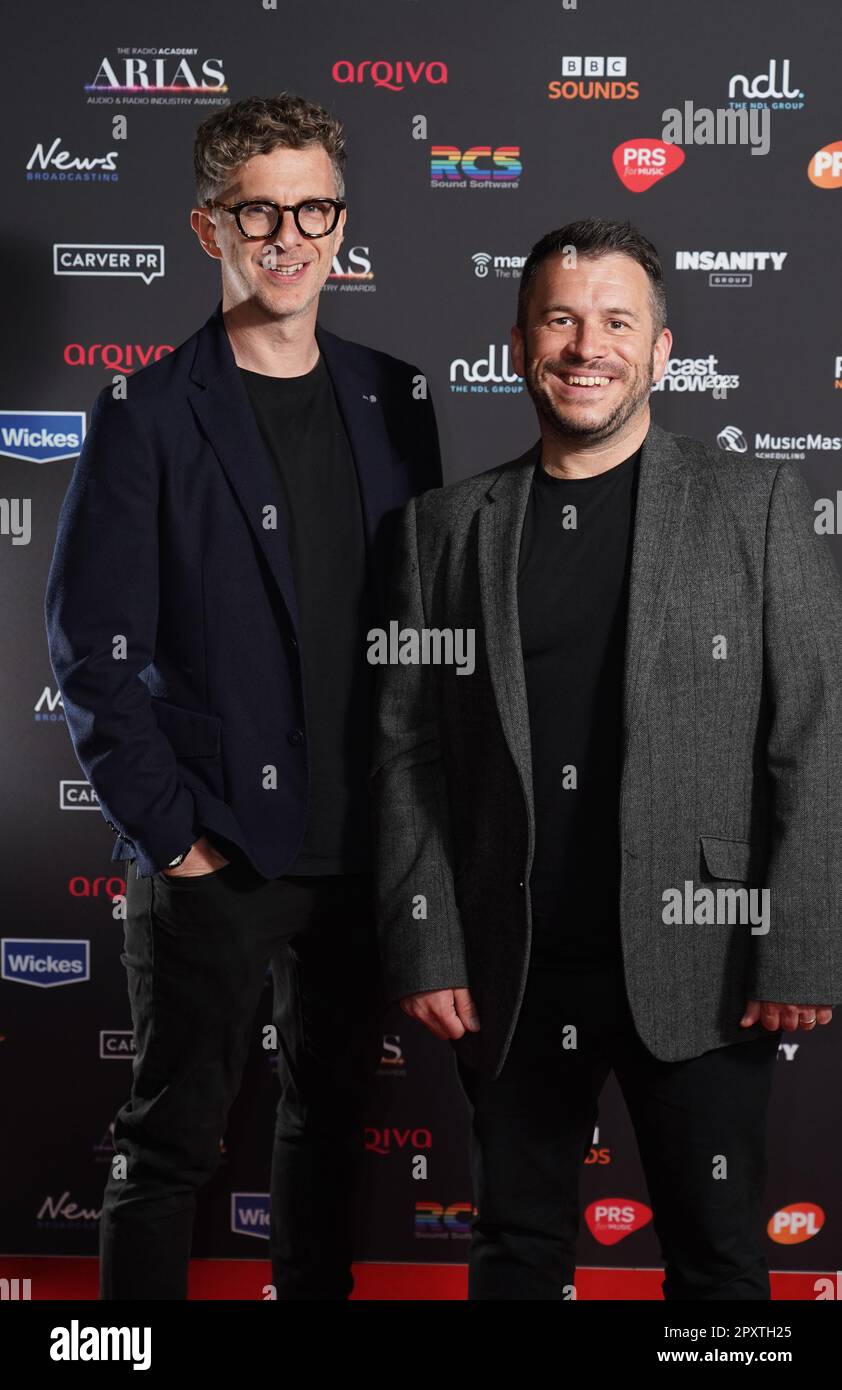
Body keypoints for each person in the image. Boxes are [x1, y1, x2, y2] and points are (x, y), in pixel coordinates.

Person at [371, 217, 841, 1300]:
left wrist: (801, 948)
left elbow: (815, 735)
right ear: (518, 343)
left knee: (718, 1260)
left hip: (706, 962)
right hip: (511, 962)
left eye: (615, 321)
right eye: (560, 319)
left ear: (660, 350)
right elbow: (405, 751)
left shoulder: (757, 506)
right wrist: (425, 939)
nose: (586, 346)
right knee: (515, 1252)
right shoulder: (442, 531)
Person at [45, 92, 441, 1301]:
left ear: (339, 220)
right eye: (256, 211)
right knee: (168, 1142)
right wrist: (179, 840)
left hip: (358, 851)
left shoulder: (398, 397)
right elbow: (91, 655)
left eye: (312, 207)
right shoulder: (145, 411)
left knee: (327, 1130)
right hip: (216, 846)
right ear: (206, 226)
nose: (289, 236)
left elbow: (420, 632)